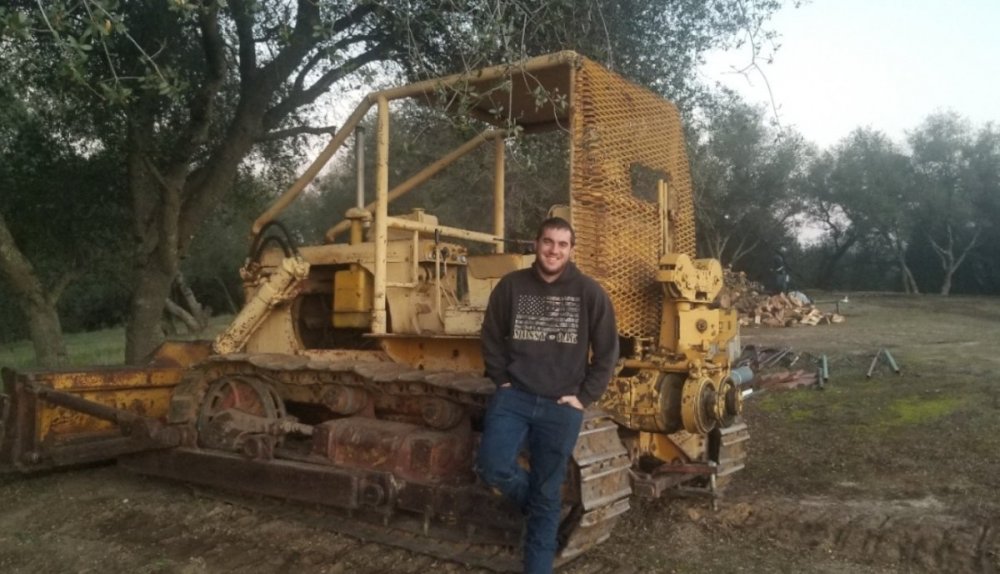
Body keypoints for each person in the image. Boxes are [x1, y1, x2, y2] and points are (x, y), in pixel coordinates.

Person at [477, 216, 618, 573]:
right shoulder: (511, 287)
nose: (554, 250)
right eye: (548, 242)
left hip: (561, 406)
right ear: (536, 244)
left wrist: (584, 398)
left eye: (562, 244)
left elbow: (607, 352)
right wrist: (501, 379)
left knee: (548, 488)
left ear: (571, 249)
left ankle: (538, 561)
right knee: (493, 466)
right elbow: (491, 335)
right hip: (515, 398)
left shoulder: (589, 293)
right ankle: (544, 511)